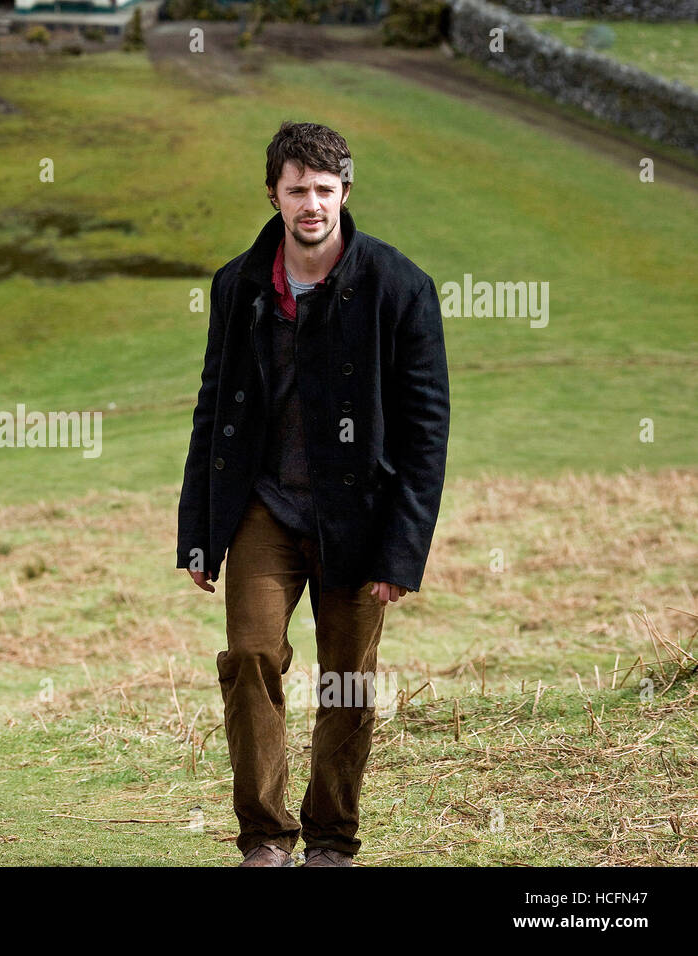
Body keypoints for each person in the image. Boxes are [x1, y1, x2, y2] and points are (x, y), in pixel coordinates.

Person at [176, 122, 449, 867]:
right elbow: (214, 408)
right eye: (296, 189)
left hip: (358, 520)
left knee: (347, 682)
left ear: (345, 193)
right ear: (274, 193)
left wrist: (403, 549)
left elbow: (427, 432)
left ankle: (331, 840)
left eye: (324, 189)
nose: (311, 203)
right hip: (263, 506)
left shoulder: (400, 287)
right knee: (251, 656)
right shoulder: (238, 284)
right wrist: (198, 530)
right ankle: (265, 837)